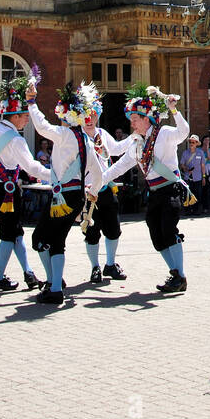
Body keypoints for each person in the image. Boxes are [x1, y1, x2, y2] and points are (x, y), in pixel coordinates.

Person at [98, 84, 194, 293]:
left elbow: (184, 132)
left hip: (171, 189)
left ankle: (180, 276)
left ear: (146, 119)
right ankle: (176, 274)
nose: (131, 124)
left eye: (134, 120)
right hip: (155, 192)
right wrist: (97, 183)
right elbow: (120, 166)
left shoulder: (165, 133)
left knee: (169, 230)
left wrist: (174, 111)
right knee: (156, 235)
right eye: (131, 120)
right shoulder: (136, 143)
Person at [27, 81, 105, 305]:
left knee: (44, 239)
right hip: (76, 196)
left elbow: (41, 127)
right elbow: (98, 176)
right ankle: (54, 284)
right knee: (52, 239)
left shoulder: (63, 135)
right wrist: (92, 195)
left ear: (67, 116)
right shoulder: (86, 142)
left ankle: (55, 286)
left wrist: (32, 102)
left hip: (61, 197)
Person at [0, 77, 51, 293]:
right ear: (14, 116)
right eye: (25, 117)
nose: (27, 121)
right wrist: (56, 176)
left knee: (15, 232)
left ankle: (28, 273)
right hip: (7, 190)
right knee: (8, 234)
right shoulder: (16, 139)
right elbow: (32, 168)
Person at [81, 94, 130, 283]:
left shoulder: (102, 134)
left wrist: (134, 138)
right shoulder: (77, 137)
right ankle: (95, 267)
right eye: (86, 114)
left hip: (106, 189)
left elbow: (117, 149)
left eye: (93, 114)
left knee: (113, 228)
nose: (89, 118)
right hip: (87, 191)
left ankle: (110, 264)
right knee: (91, 232)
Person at [179, 135, 210, 215]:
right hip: (187, 177)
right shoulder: (185, 153)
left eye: (193, 142)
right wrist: (186, 169)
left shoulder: (200, 153)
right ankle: (187, 210)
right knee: (187, 194)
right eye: (190, 142)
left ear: (197, 143)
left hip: (198, 177)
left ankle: (196, 210)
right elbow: (182, 164)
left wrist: (204, 177)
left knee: (198, 194)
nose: (191, 144)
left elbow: (203, 165)